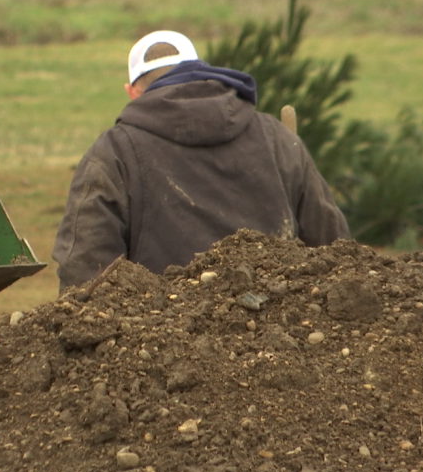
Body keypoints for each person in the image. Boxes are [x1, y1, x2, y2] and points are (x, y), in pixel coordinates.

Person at [52, 30, 350, 291]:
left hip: (157, 347)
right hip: (280, 345)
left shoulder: (113, 153)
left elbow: (85, 275)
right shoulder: (279, 140)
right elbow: (337, 253)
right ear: (201, 74)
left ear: (132, 93)